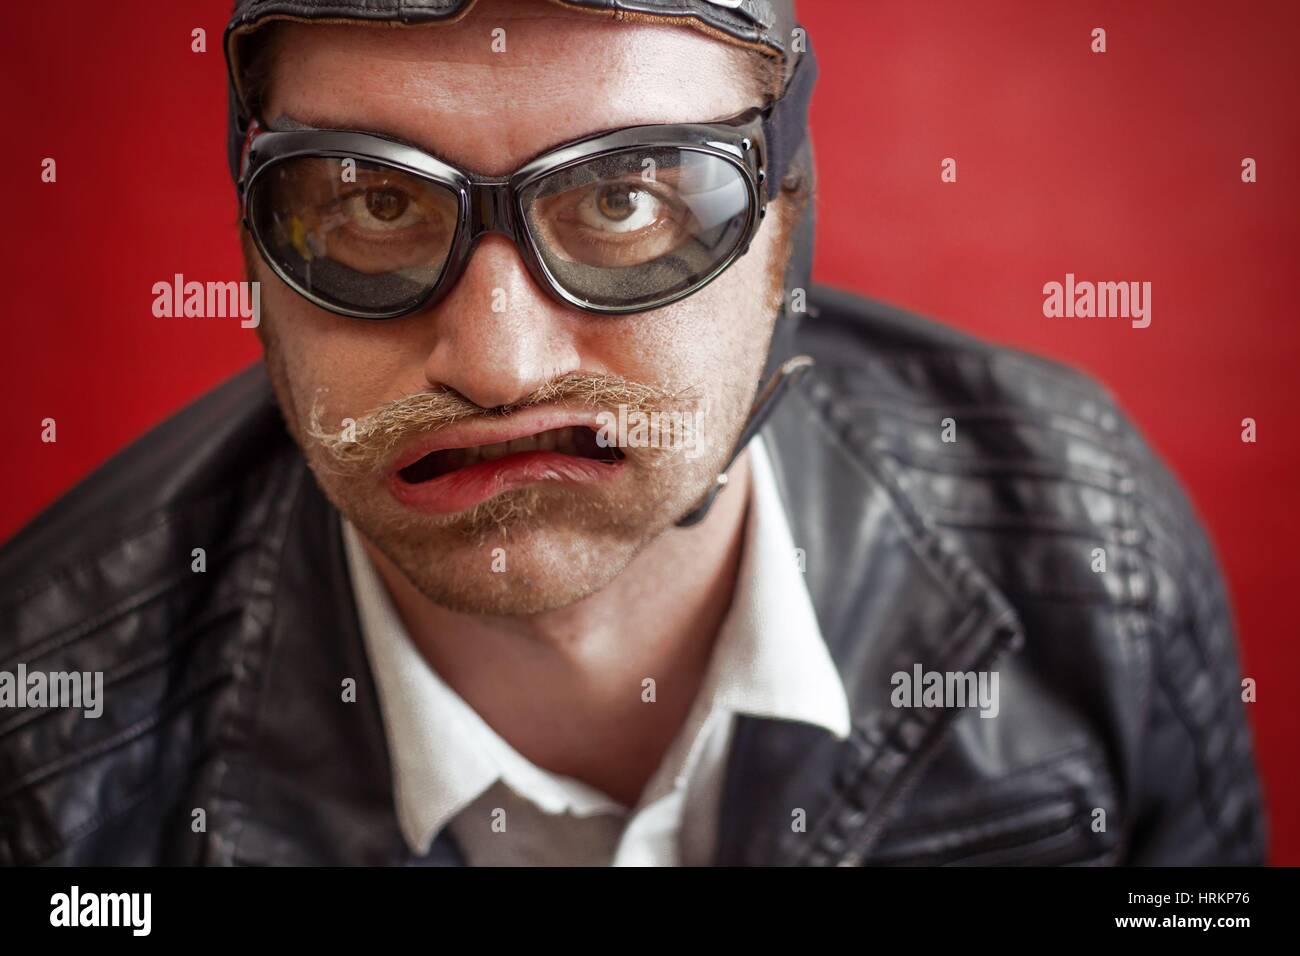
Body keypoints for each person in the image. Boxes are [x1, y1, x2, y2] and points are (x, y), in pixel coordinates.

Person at [0, 0, 1265, 866]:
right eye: (369, 199)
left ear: (784, 226)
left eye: (625, 195)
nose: (497, 362)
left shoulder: (1094, 551)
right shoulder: (48, 754)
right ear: (255, 254)